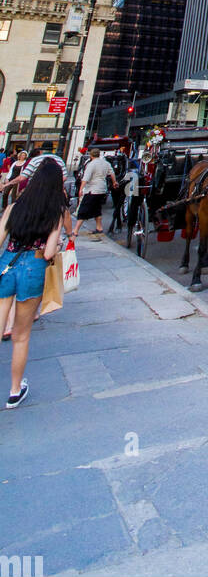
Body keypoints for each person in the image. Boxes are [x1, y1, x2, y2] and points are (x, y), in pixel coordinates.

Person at [0, 159, 67, 408]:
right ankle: (15, 391)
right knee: (21, 336)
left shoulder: (14, 207)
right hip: (33, 269)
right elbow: (49, 252)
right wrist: (58, 244)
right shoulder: (55, 212)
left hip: (6, 265)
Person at [70, 148, 117, 240]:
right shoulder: (106, 163)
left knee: (83, 209)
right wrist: (114, 182)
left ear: (91, 156)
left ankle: (75, 230)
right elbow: (112, 172)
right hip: (102, 189)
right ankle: (99, 228)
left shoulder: (91, 164)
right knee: (97, 208)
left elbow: (86, 178)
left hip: (92, 189)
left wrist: (81, 189)